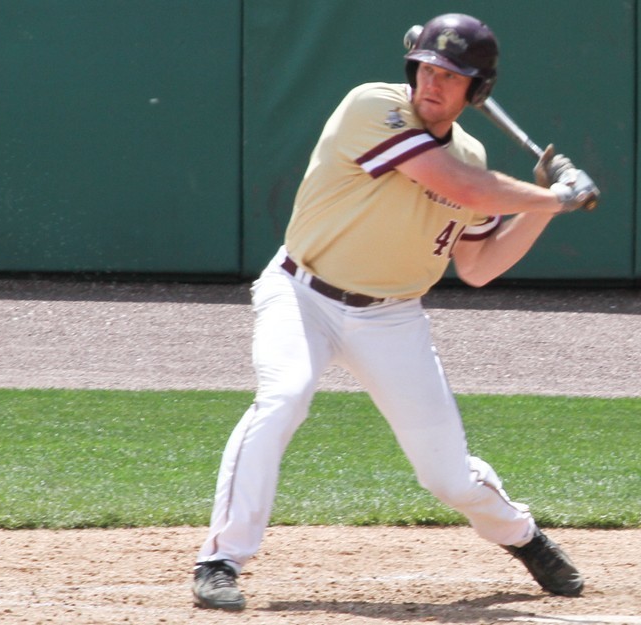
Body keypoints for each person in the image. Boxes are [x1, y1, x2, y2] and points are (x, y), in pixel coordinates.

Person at [191, 13, 597, 611]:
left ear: (475, 90)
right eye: (427, 68)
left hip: (392, 318)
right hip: (301, 294)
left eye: (451, 75)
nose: (433, 83)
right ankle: (220, 559)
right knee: (284, 397)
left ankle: (524, 537)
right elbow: (458, 184)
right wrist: (557, 198)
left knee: (448, 476)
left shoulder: (473, 154)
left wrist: (537, 207)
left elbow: (479, 266)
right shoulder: (372, 106)